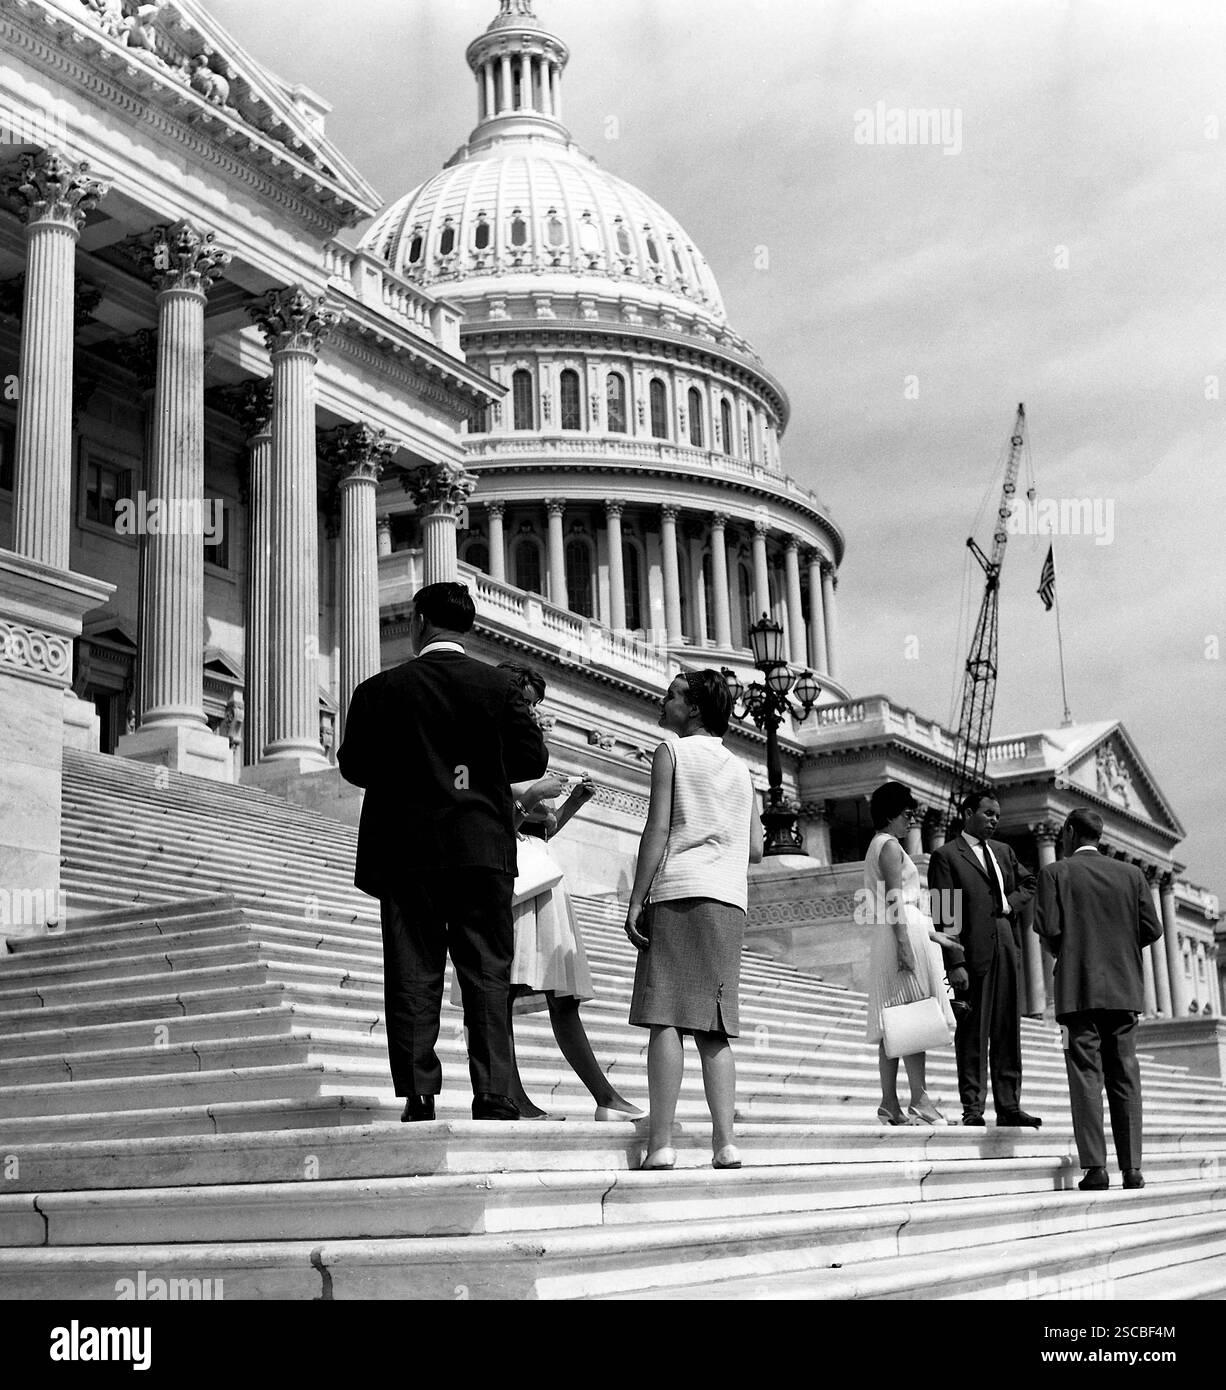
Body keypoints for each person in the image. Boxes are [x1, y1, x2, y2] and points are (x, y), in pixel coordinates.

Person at [336, 582, 548, 1122]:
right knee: (486, 970)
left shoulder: (380, 689)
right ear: (467, 626)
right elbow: (530, 760)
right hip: (481, 848)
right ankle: (494, 1091)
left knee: (413, 969)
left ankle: (419, 1093)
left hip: (407, 851)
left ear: (421, 620)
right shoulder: (498, 688)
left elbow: (355, 766)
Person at [479, 662, 644, 1122]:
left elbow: (540, 836)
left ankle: (603, 1096)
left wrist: (570, 802)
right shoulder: (488, 754)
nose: (532, 712)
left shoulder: (526, 755)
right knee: (506, 993)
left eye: (535, 704)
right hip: (510, 882)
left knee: (562, 995)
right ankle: (521, 1098)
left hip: (541, 880)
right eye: (525, 702)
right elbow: (495, 830)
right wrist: (531, 796)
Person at [625, 670, 763, 1171]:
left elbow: (657, 829)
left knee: (665, 1018)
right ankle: (724, 1141)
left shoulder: (672, 752)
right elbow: (756, 848)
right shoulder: (742, 768)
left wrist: (636, 899)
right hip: (728, 899)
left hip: (679, 889)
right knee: (715, 1027)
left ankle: (661, 1142)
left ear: (696, 708)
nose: (664, 701)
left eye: (673, 695)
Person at [1034, 808, 1163, 1191]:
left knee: (1086, 1077)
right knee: (1126, 1076)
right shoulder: (1133, 874)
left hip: (1078, 988)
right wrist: (1119, 947)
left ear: (1070, 833)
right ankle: (1133, 1168)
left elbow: (1050, 929)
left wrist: (1074, 948)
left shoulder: (1054, 873)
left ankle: (1096, 1168)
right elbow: (1152, 929)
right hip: (1124, 990)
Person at [928, 790, 1040, 1127]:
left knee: (1007, 1030)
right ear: (967, 813)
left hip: (1006, 949)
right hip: (972, 954)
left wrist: (1010, 904)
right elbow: (944, 913)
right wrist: (955, 961)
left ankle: (1009, 1106)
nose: (994, 820)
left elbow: (1029, 881)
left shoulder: (1004, 852)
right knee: (973, 1032)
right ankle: (973, 1108)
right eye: (988, 813)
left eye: (997, 815)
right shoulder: (946, 856)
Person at [863, 782, 961, 1124]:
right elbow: (894, 898)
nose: (911, 821)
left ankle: (890, 1101)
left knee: (895, 1021)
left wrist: (938, 937)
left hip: (898, 931)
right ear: (891, 813)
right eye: (907, 814)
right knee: (913, 1014)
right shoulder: (889, 846)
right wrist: (906, 946)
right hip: (900, 933)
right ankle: (919, 1098)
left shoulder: (880, 845)